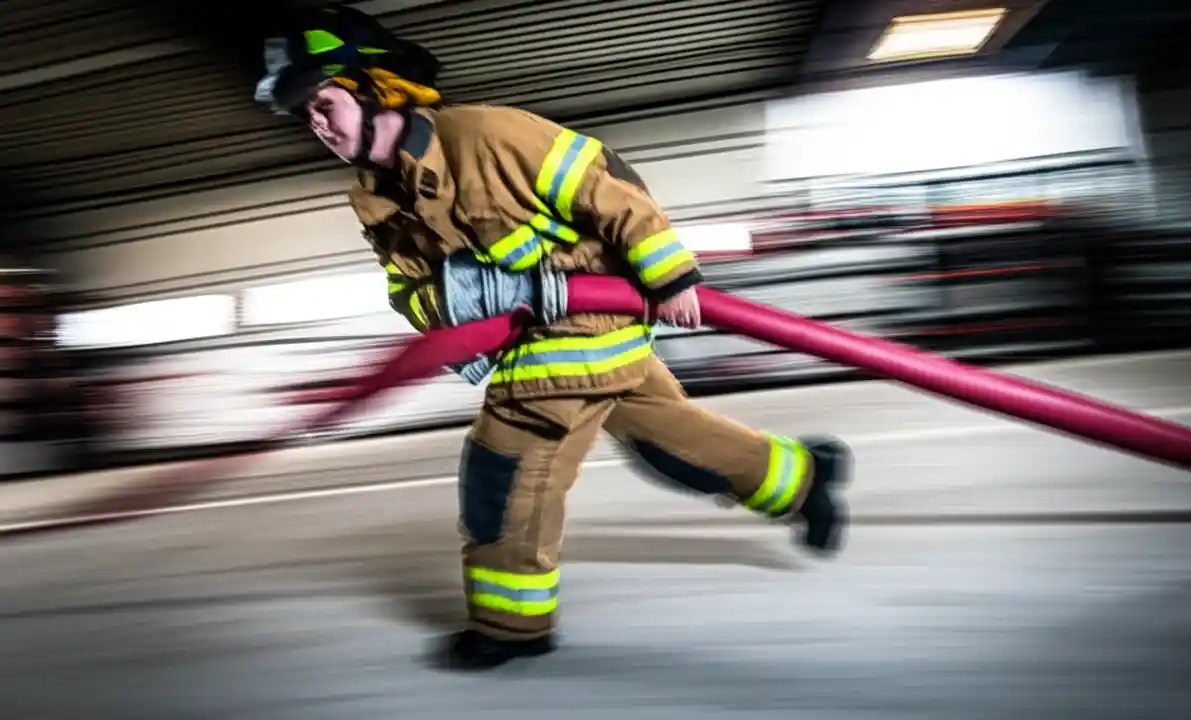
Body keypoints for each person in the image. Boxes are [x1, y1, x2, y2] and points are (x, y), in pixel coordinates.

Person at [254, 7, 852, 669]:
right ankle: (800, 479)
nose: (317, 125)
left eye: (324, 103)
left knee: (503, 467)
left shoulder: (485, 135)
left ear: (376, 89)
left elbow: (610, 188)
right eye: (305, 114)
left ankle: (512, 627)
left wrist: (668, 273)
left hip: (585, 321)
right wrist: (462, 308)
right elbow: (408, 289)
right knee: (666, 444)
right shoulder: (374, 196)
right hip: (531, 338)